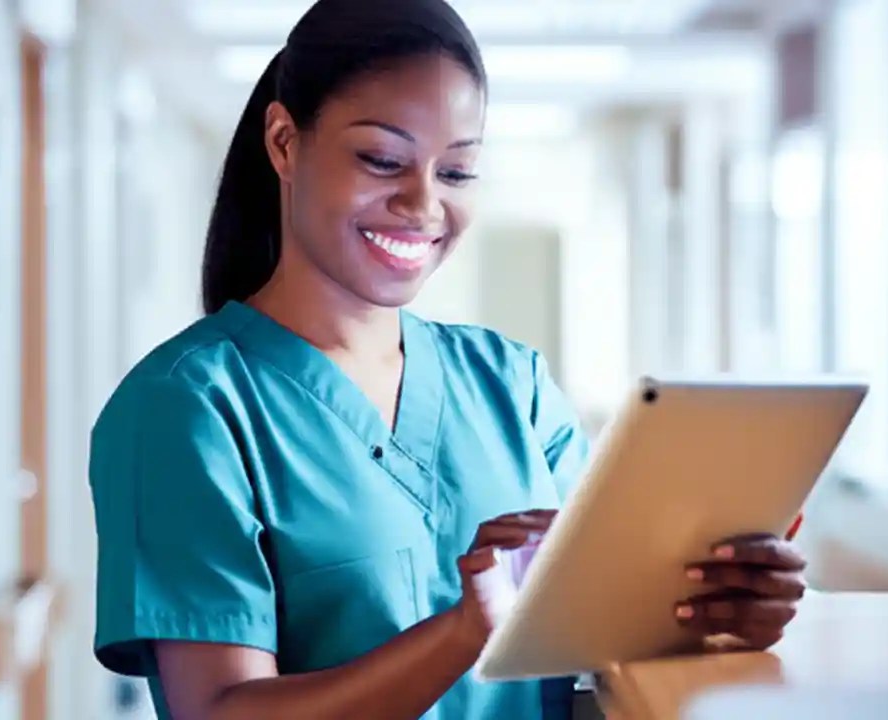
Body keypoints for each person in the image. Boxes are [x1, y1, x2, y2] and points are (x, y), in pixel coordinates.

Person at [88, 1, 808, 718]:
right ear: (283, 142)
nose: (424, 203)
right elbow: (219, 710)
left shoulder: (512, 385)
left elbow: (610, 630)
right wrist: (463, 630)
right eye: (382, 160)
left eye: (457, 172)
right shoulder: (186, 407)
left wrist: (718, 612)